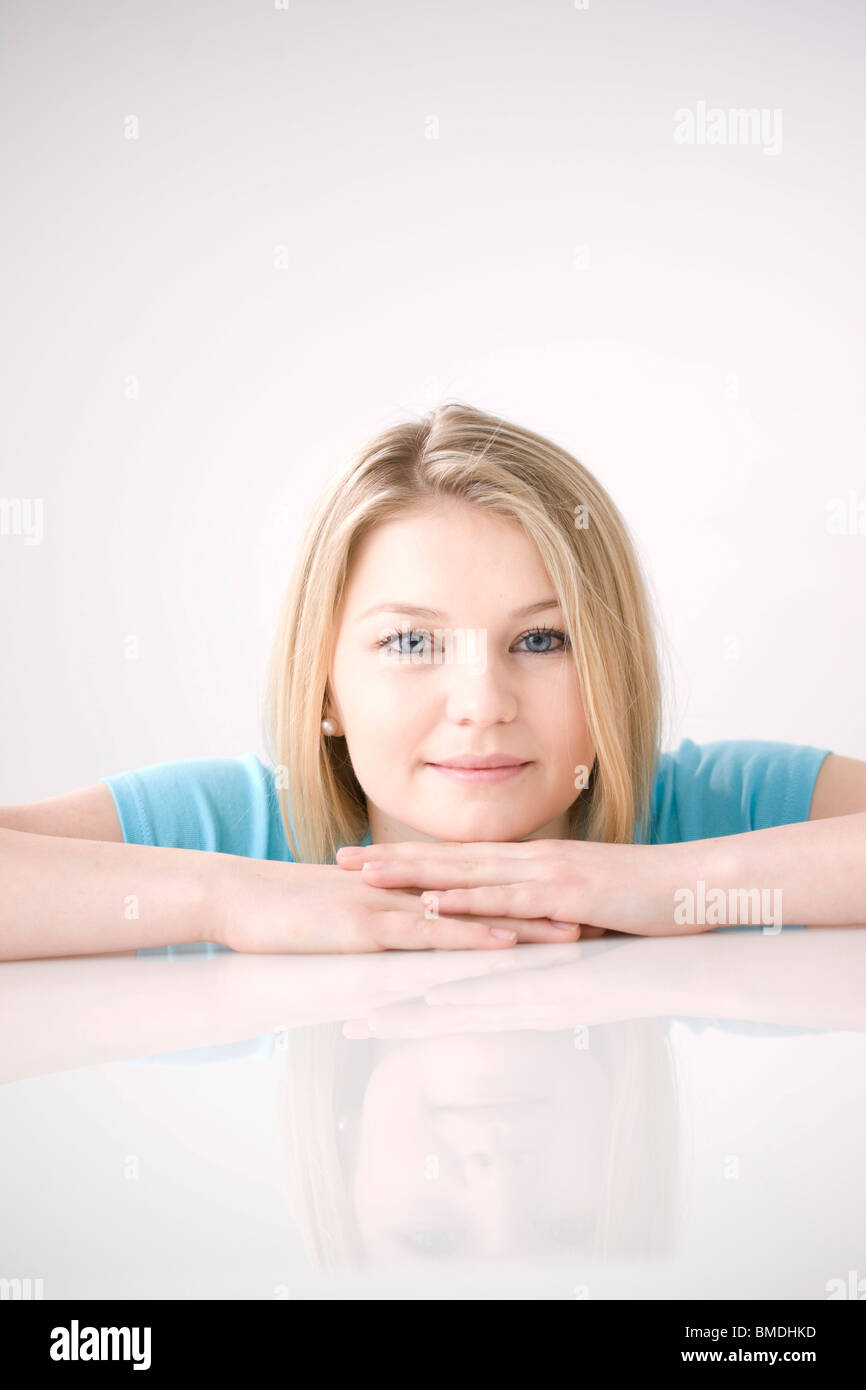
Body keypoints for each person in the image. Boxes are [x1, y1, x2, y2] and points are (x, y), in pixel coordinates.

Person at [3, 400, 865, 960]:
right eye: (412, 641)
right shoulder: (229, 826)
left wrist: (669, 885)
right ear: (324, 687)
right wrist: (227, 900)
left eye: (543, 640)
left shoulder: (712, 811)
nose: (483, 703)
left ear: (616, 669)